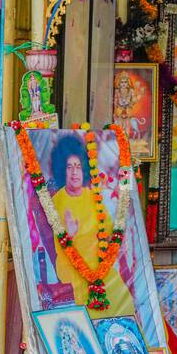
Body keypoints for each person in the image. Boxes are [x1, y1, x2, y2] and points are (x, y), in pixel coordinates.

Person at [48, 135, 135, 316]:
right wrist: (69, 236)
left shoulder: (93, 195)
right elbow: (58, 261)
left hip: (105, 272)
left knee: (126, 307)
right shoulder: (56, 202)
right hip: (78, 276)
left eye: (78, 167)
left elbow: (112, 233)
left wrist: (119, 201)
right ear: (61, 170)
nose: (74, 173)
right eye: (69, 167)